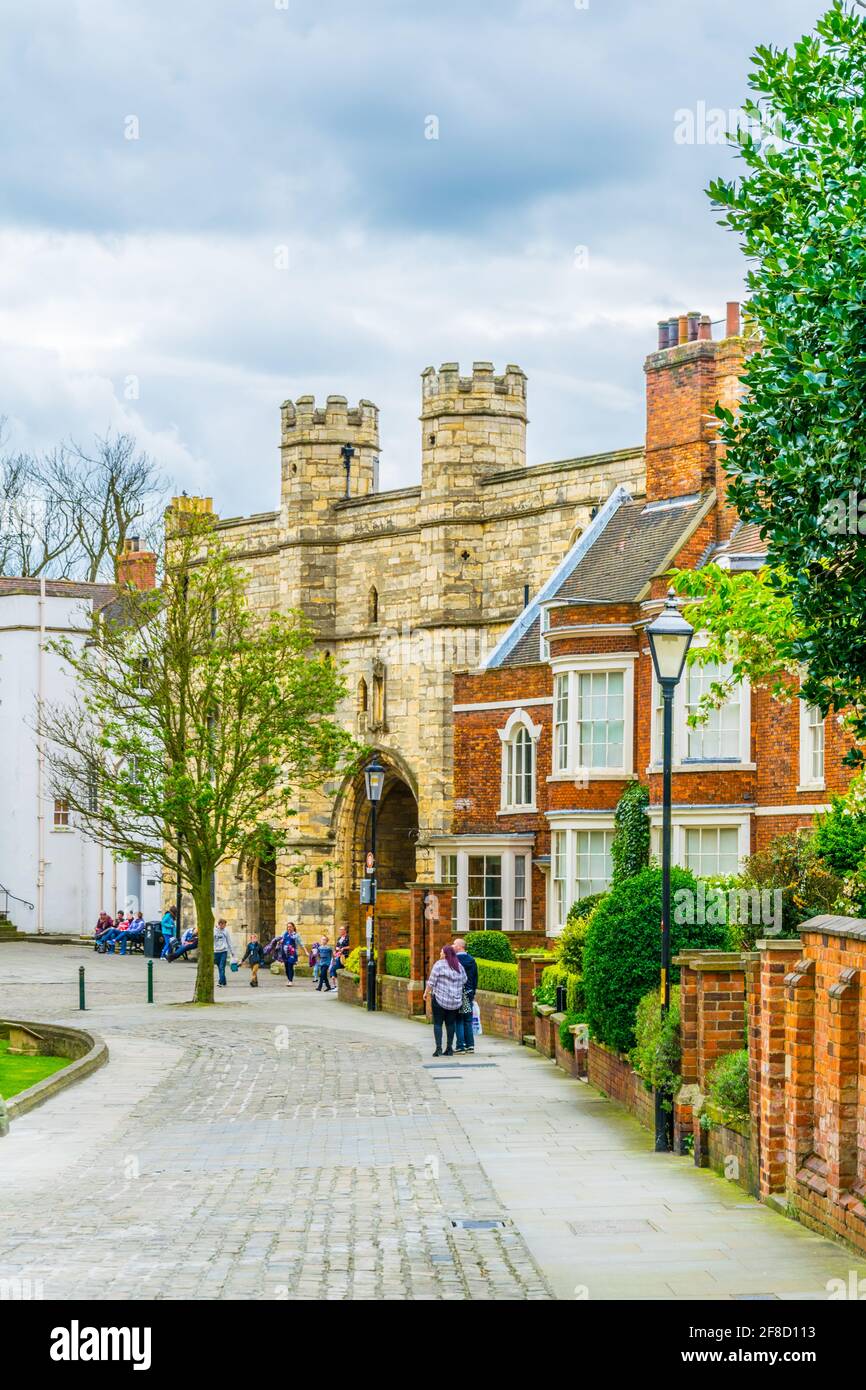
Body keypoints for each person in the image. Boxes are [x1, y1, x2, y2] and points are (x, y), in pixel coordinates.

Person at [423, 944, 467, 1057]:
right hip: (454, 1002)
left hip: (440, 999)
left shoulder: (439, 965)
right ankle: (449, 1048)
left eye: (442, 952)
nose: (440, 954)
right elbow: (464, 980)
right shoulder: (459, 966)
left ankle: (438, 1049)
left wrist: (426, 992)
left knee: (438, 1023)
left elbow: (431, 982)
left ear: (446, 954)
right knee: (450, 1024)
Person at [452, 937, 478, 1054]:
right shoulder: (472, 960)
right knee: (467, 1020)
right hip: (469, 993)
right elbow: (475, 978)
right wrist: (472, 992)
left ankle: (460, 1046)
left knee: (458, 1020)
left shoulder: (454, 960)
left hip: (458, 994)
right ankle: (470, 1045)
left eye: (454, 944)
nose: (452, 946)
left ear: (459, 946)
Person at [213, 919, 236, 987]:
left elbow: (229, 942)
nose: (225, 926)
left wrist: (232, 952)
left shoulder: (226, 931)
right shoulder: (214, 931)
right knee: (219, 967)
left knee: (221, 967)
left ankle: (220, 982)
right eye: (224, 925)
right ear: (220, 924)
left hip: (223, 951)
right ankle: (224, 981)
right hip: (216, 952)